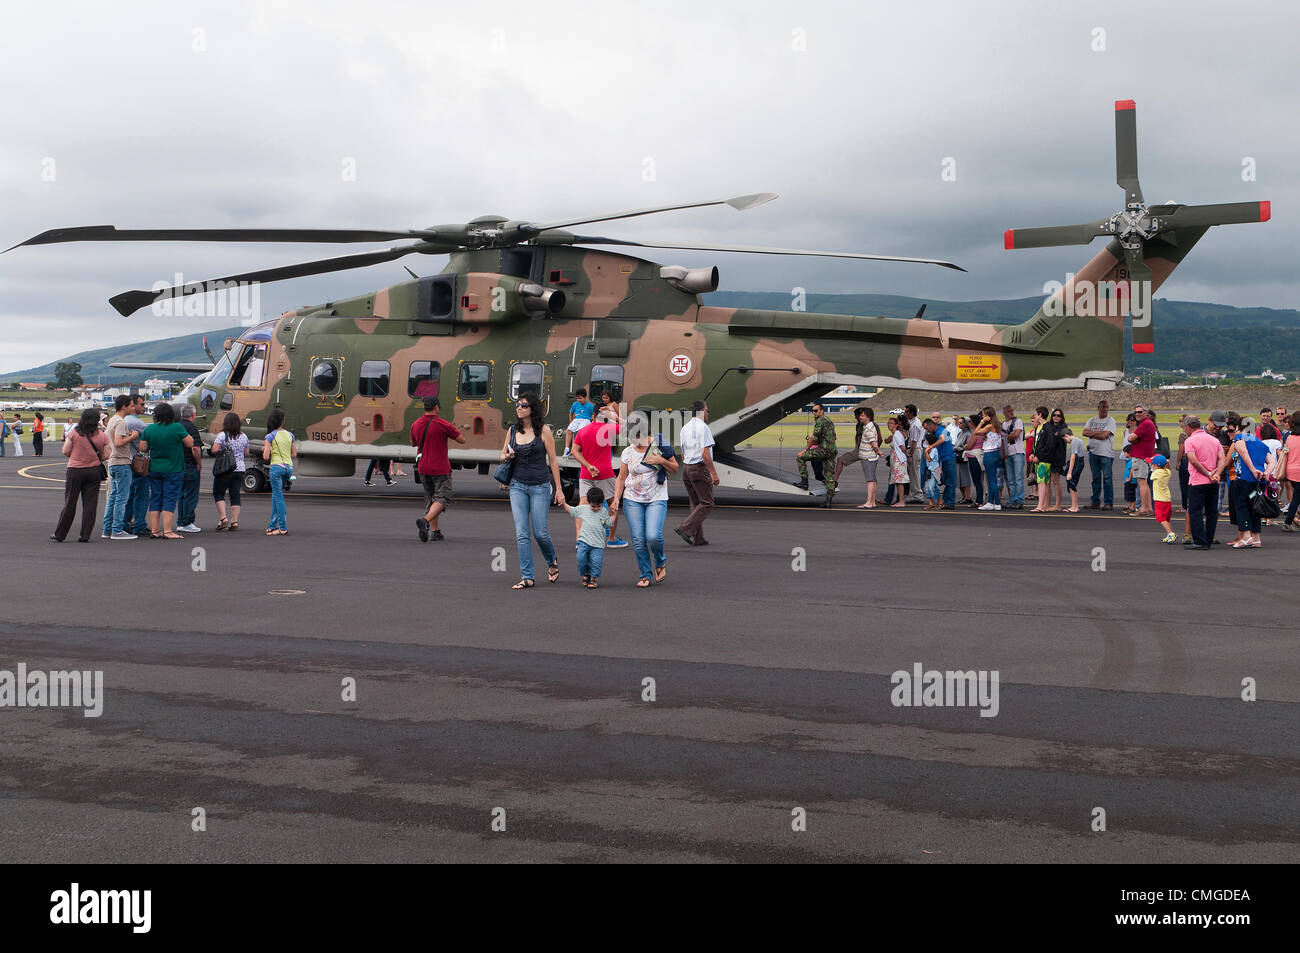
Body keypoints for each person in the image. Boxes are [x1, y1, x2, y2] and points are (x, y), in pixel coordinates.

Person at [501, 391, 564, 588]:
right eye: (518, 404)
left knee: (540, 533)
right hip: (517, 485)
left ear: (532, 409)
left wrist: (559, 489)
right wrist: (507, 457)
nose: (519, 408)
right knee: (521, 533)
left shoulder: (544, 431)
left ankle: (551, 560)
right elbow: (502, 455)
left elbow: (553, 461)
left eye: (524, 405)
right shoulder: (512, 431)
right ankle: (527, 576)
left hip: (540, 486)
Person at [612, 407, 678, 588]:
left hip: (656, 496)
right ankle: (645, 574)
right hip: (632, 499)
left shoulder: (659, 445)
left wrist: (662, 461)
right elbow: (622, 477)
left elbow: (675, 468)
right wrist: (617, 498)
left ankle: (660, 561)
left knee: (653, 536)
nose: (632, 441)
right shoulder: (628, 452)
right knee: (639, 539)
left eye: (635, 436)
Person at [571, 405, 627, 548]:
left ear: (593, 416)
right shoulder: (608, 429)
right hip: (605, 473)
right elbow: (628, 426)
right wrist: (613, 416)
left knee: (582, 506)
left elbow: (574, 451)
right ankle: (612, 539)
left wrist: (588, 465)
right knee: (612, 504)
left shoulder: (582, 431)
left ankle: (579, 539)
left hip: (586, 473)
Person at [50, 408, 109, 543]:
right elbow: (106, 455)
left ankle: (60, 533)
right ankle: (85, 534)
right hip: (93, 471)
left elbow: (65, 450)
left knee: (70, 502)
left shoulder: (74, 433)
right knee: (90, 503)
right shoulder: (102, 435)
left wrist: (77, 456)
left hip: (75, 470)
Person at [411, 395, 464, 542]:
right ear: (436, 407)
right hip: (440, 467)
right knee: (443, 497)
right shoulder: (443, 424)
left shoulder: (415, 424)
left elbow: (413, 443)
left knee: (431, 498)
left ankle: (435, 531)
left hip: (422, 467)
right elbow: (461, 439)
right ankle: (425, 520)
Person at [139, 402, 195, 540]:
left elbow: (142, 447)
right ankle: (168, 530)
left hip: (154, 468)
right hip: (173, 468)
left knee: (156, 497)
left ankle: (155, 530)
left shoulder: (150, 429)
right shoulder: (177, 427)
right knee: (169, 498)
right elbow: (190, 443)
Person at [675, 400, 720, 546]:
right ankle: (685, 528)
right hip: (699, 467)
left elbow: (682, 453)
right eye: (707, 411)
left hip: (687, 468)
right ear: (701, 411)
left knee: (696, 503)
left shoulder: (684, 428)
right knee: (707, 503)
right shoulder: (704, 428)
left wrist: (687, 468)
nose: (708, 413)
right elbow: (705, 453)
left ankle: (698, 538)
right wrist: (714, 473)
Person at [1226, 415, 1274, 549]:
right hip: (1259, 481)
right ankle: (1256, 538)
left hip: (1245, 478)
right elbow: (1271, 462)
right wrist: (1266, 473)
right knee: (1255, 507)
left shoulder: (1239, 438)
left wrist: (1252, 469)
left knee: (1242, 506)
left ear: (1238, 427)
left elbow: (1242, 450)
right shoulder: (1260, 443)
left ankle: (1246, 536)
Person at [1183, 416, 1225, 550]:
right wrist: (1217, 473)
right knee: (1212, 512)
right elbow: (1222, 458)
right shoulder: (1214, 439)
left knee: (1195, 511)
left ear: (1188, 427)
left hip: (1198, 481)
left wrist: (1207, 473)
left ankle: (1200, 541)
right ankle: (1208, 538)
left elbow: (1193, 461)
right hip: (1213, 481)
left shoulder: (1190, 440)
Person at [101, 395, 139, 540]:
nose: (133, 408)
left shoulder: (112, 421)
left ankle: (107, 529)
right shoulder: (121, 422)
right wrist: (133, 436)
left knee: (113, 497)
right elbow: (118, 442)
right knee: (122, 498)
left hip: (112, 462)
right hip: (121, 462)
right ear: (124, 406)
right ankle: (117, 530)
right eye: (131, 405)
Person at [261, 408, 298, 536]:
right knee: (276, 497)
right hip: (288, 468)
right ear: (282, 421)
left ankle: (282, 527)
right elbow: (294, 454)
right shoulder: (290, 435)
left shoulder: (270, 436)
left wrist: (267, 449)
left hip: (276, 468)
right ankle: (272, 525)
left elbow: (265, 457)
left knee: (278, 497)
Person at [566, 487, 612, 588]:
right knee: (581, 558)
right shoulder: (583, 509)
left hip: (598, 543)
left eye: (598, 506)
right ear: (588, 501)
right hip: (584, 541)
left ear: (602, 503)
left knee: (596, 562)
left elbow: (609, 523)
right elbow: (572, 511)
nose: (596, 508)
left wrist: (614, 513)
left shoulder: (603, 511)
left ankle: (593, 579)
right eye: (593, 506)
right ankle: (586, 573)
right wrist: (563, 504)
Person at [211, 412, 249, 532]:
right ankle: (235, 520)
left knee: (218, 493)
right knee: (235, 495)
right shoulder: (244, 436)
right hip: (240, 469)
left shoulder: (222, 435)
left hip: (225, 468)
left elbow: (214, 449)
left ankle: (223, 518)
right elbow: (246, 452)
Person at [793, 402, 837, 505]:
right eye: (813, 411)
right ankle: (828, 501)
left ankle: (804, 482)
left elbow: (814, 438)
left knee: (800, 457)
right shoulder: (829, 421)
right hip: (832, 450)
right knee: (829, 475)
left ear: (822, 411)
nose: (814, 412)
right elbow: (834, 436)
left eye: (816, 411)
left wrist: (806, 449)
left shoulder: (820, 421)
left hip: (823, 450)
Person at [121, 395, 151, 536]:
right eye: (142, 404)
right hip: (138, 463)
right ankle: (139, 524)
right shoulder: (137, 423)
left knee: (130, 494)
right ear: (133, 405)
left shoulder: (124, 421)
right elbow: (149, 440)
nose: (143, 407)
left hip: (127, 461)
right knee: (142, 494)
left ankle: (124, 523)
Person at [1082, 399, 1118, 510]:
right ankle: (1095, 501)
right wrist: (1098, 434)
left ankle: (1108, 502)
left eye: (1107, 407)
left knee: (1107, 479)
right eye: (1103, 407)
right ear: (1098, 408)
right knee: (1095, 478)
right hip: (1093, 452)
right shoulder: (1091, 420)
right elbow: (1084, 432)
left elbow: (1104, 436)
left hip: (1106, 454)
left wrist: (1091, 434)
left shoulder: (1111, 421)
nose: (1105, 409)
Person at [846, 406, 882, 509]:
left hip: (868, 457)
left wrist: (877, 451)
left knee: (870, 480)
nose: (860, 417)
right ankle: (873, 502)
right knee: (873, 480)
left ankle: (869, 502)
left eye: (862, 415)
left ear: (868, 417)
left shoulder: (869, 429)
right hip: (871, 457)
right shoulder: (869, 427)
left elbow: (874, 443)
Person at [176, 403, 203, 533]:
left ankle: (181, 521)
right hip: (190, 465)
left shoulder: (177, 426)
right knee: (191, 495)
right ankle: (187, 521)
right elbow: (195, 448)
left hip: (178, 465)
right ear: (193, 415)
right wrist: (198, 463)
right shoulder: (191, 428)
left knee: (181, 495)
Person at [1126, 404, 1157, 517]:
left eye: (1140, 412)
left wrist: (1133, 438)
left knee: (1142, 482)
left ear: (1145, 412)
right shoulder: (1147, 423)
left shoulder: (1145, 424)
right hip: (1144, 456)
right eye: (1136, 412)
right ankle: (1147, 507)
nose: (1137, 414)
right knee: (1144, 482)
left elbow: (1130, 438)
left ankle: (1144, 508)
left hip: (1141, 456)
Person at [971, 406, 1002, 510]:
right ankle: (990, 502)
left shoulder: (989, 426)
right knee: (991, 479)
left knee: (992, 480)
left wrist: (982, 422)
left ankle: (997, 503)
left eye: (983, 415)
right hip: (995, 453)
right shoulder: (996, 424)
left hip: (990, 454)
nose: (982, 417)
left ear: (988, 416)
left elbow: (976, 432)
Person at [921, 416, 956, 509]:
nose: (927, 431)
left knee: (950, 481)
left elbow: (942, 439)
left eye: (927, 428)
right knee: (947, 481)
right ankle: (946, 502)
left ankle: (950, 503)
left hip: (948, 458)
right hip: (942, 459)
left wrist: (931, 446)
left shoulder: (941, 430)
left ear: (931, 425)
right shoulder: (936, 432)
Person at [1001, 405, 1026, 509]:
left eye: (1012, 410)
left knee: (1018, 478)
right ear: (1004, 413)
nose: (1011, 412)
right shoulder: (1003, 424)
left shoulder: (1017, 421)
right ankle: (1012, 499)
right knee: (1010, 479)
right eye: (1009, 411)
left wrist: (1005, 436)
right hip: (1008, 453)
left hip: (1017, 452)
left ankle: (1019, 500)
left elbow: (1016, 434)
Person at [1279, 411, 1300, 532]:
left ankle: (1291, 521)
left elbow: (1285, 451)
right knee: (1296, 499)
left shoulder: (1290, 437)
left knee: (1297, 496)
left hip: (1290, 471)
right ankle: (1287, 523)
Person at [1150, 454, 1176, 543]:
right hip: (1166, 499)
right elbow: (1168, 469)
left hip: (1160, 500)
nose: (1152, 466)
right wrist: (1167, 464)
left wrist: (1165, 464)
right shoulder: (1167, 473)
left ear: (1156, 465)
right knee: (1166, 518)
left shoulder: (1156, 473)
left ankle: (1171, 533)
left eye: (1152, 464)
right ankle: (1169, 534)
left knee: (1161, 518)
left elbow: (1151, 476)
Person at [563, 388, 596, 456]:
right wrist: (571, 422)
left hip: (586, 420)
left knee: (581, 432)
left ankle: (578, 449)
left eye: (580, 398)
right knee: (569, 431)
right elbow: (571, 413)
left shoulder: (590, 406)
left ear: (585, 397)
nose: (579, 400)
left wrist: (593, 422)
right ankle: (567, 449)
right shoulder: (575, 404)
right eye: (577, 398)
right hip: (576, 420)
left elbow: (594, 414)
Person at [905, 404, 926, 503]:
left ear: (911, 413)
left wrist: (910, 454)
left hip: (914, 449)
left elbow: (914, 441)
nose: (905, 414)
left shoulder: (915, 425)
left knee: (915, 474)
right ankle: (914, 494)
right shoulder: (913, 422)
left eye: (906, 412)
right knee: (913, 473)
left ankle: (917, 495)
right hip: (914, 449)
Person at [886, 415, 909, 507]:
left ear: (896, 425)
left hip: (898, 459)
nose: (889, 425)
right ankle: (901, 501)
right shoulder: (895, 434)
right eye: (888, 423)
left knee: (899, 482)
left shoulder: (897, 434)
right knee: (897, 481)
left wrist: (907, 457)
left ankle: (901, 501)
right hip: (896, 459)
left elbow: (903, 448)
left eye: (891, 423)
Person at [1064, 427, 1087, 513]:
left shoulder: (1074, 442)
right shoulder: (1078, 440)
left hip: (1077, 463)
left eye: (1064, 439)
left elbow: (1073, 457)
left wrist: (1069, 472)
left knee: (1071, 483)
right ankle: (1073, 505)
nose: (1065, 441)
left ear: (1066, 435)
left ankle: (1075, 506)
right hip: (1080, 462)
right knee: (1071, 483)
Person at [922, 433, 942, 509]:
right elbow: (925, 457)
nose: (926, 441)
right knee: (928, 487)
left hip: (934, 470)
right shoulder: (929, 448)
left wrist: (926, 451)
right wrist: (926, 451)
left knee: (933, 487)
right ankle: (931, 503)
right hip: (929, 470)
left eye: (926, 440)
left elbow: (929, 459)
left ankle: (940, 502)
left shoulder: (933, 450)